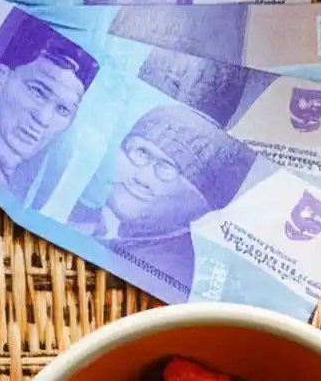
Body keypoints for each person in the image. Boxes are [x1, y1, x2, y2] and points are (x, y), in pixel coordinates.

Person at [69, 105, 254, 284]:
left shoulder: (171, 271)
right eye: (141, 152)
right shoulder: (92, 221)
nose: (142, 178)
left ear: (202, 202)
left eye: (167, 168)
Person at [0, 27, 98, 205]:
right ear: (2, 77)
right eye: (37, 92)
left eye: (63, 109)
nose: (43, 118)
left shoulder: (40, 185)